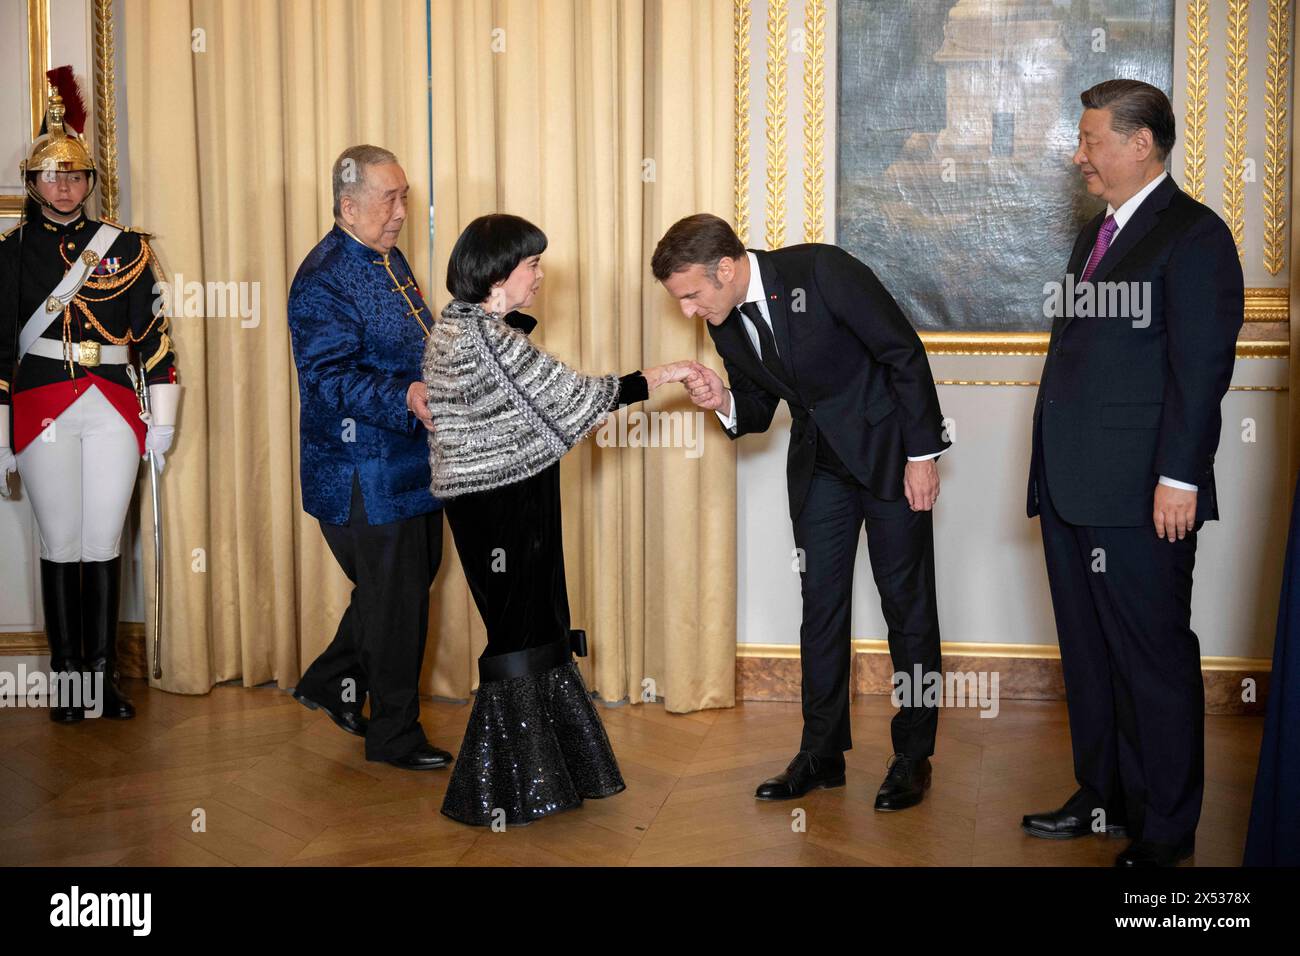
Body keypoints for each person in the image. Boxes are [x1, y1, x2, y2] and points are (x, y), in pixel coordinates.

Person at [655, 213, 949, 811]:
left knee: (907, 606)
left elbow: (903, 353)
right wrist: (725, 399)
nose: (687, 310)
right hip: (819, 468)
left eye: (691, 295)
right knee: (821, 606)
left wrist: (922, 453)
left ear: (728, 268)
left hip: (890, 455)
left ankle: (914, 756)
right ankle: (821, 754)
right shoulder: (725, 321)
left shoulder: (821, 270)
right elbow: (761, 406)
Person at [1022, 80, 1242, 867]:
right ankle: (1105, 795)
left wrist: (1180, 478)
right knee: (1088, 654)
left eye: (1090, 141)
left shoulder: (1195, 236)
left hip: (1144, 495)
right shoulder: (1096, 235)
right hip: (1072, 486)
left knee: (1152, 661)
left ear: (1139, 143)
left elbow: (1200, 369)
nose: (1078, 156)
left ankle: (1166, 829)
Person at [423, 213, 694, 827]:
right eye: (532, 265)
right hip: (498, 506)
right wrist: (672, 373)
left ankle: (558, 771)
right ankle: (500, 791)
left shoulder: (473, 328)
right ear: (497, 274)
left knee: (540, 622)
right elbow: (576, 397)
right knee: (520, 629)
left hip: (513, 496)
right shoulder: (477, 337)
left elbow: (547, 404)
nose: (541, 275)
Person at [0, 78, 179, 723]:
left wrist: (162, 418)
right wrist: (0, 436)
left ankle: (102, 680)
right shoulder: (11, 254)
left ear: (91, 180)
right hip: (41, 402)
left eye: (76, 175)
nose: (65, 187)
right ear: (34, 182)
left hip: (111, 405)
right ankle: (68, 680)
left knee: (103, 540)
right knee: (60, 541)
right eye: (52, 176)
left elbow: (155, 337)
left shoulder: (127, 247)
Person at [287, 145, 451, 771]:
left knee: (404, 587)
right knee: (395, 603)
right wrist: (406, 393)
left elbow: (414, 341)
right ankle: (394, 736)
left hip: (412, 463)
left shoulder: (387, 257)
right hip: (361, 472)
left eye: (404, 196)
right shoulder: (323, 277)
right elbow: (326, 379)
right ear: (349, 207)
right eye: (391, 199)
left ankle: (331, 681)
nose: (403, 211)